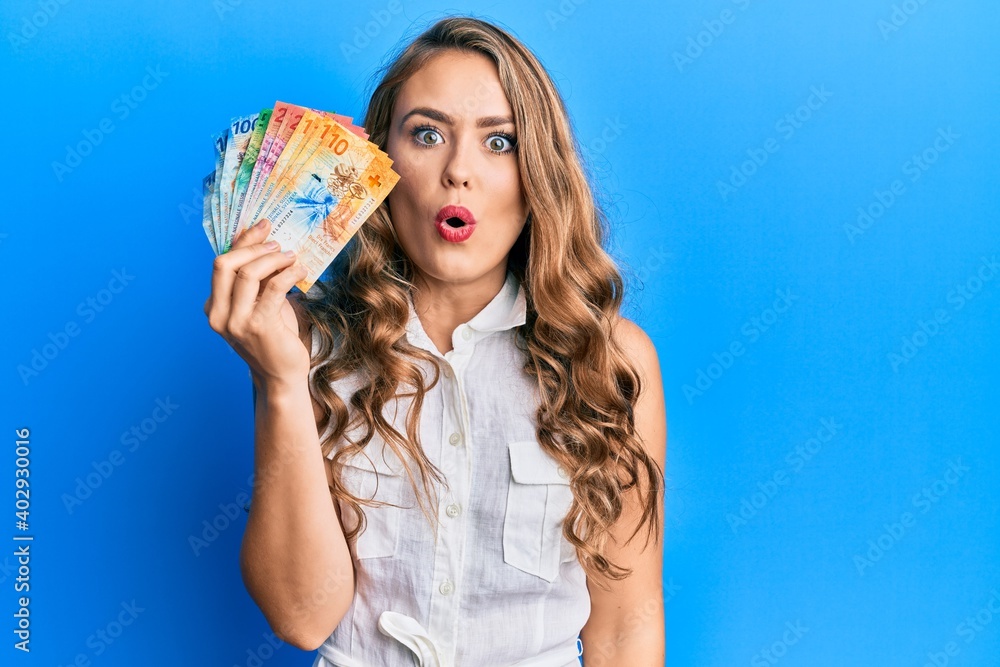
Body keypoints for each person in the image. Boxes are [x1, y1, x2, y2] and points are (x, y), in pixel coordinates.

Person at [204, 15, 667, 667]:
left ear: (538, 177)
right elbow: (302, 616)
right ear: (377, 170)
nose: (459, 171)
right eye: (427, 134)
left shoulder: (612, 361)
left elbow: (625, 631)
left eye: (499, 142)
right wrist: (281, 383)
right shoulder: (306, 346)